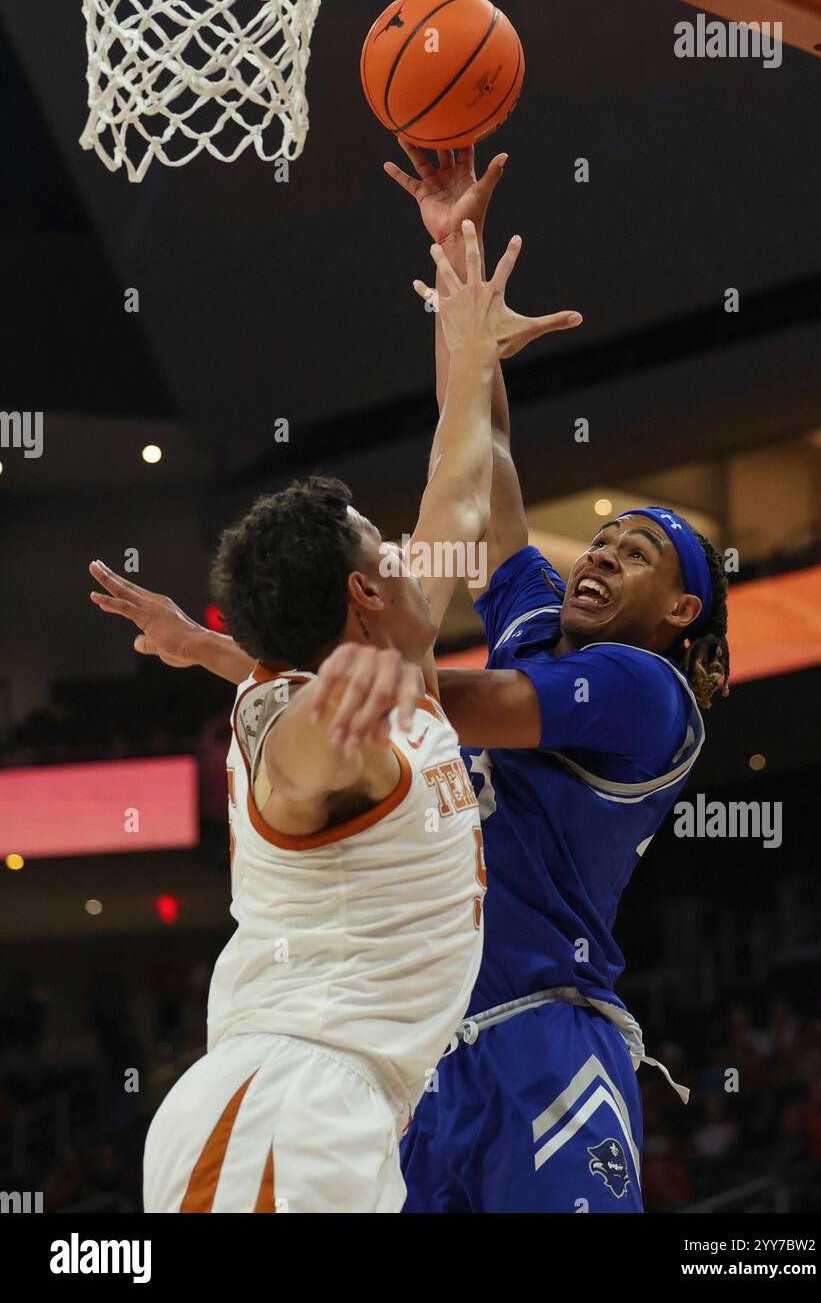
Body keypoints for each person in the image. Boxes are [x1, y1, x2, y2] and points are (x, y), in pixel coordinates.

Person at [93, 148, 730, 1212]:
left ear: (679, 614)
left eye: (638, 553)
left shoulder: (639, 688)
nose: (602, 551)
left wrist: (462, 312)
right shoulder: (395, 684)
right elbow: (473, 493)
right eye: (603, 535)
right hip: (360, 1076)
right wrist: (461, 298)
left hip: (526, 1028)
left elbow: (459, 507)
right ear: (360, 597)